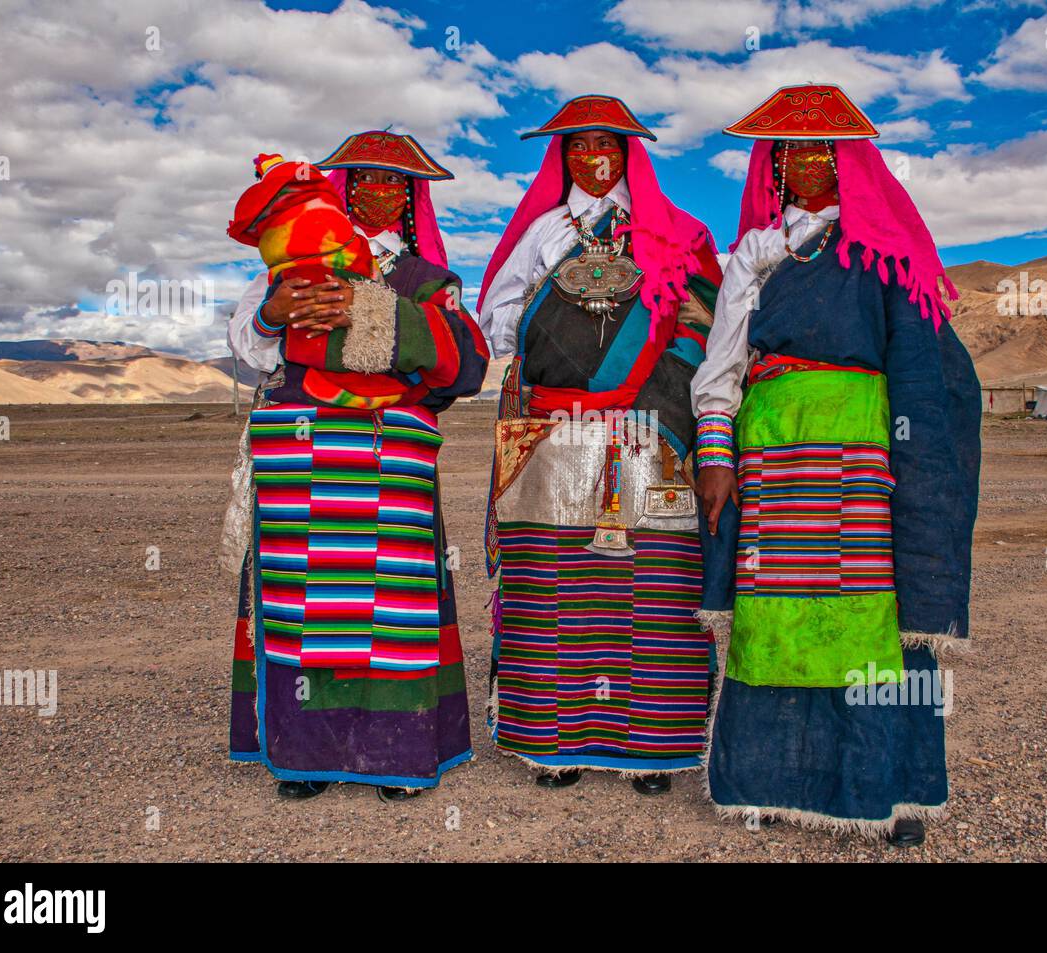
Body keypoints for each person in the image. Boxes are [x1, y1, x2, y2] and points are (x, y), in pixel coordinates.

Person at [692, 85, 981, 844]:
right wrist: (716, 451)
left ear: (847, 159)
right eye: (791, 150)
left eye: (823, 148)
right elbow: (721, 366)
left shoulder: (885, 255)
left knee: (865, 620)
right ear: (774, 164)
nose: (807, 161)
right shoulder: (754, 256)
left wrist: (918, 469)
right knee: (773, 619)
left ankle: (883, 791)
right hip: (773, 462)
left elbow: (925, 373)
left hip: (860, 464)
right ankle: (763, 780)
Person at [223, 130, 488, 802]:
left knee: (390, 607)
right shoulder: (295, 259)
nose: (377, 190)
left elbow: (466, 366)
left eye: (393, 182)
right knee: (303, 603)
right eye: (364, 178)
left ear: (410, 199)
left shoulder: (429, 281)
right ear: (344, 186)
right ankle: (305, 753)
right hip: (302, 457)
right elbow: (251, 350)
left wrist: (385, 315)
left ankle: (395, 752)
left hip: (386, 455)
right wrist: (270, 311)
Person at [477, 95, 729, 795]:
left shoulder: (676, 234)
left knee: (650, 593)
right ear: (561, 155)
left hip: (652, 435)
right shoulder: (539, 236)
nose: (595, 156)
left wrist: (667, 415)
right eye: (580, 144)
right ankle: (554, 741)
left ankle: (653, 747)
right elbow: (500, 331)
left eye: (608, 144)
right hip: (554, 436)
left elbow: (703, 330)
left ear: (629, 153)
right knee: (554, 591)